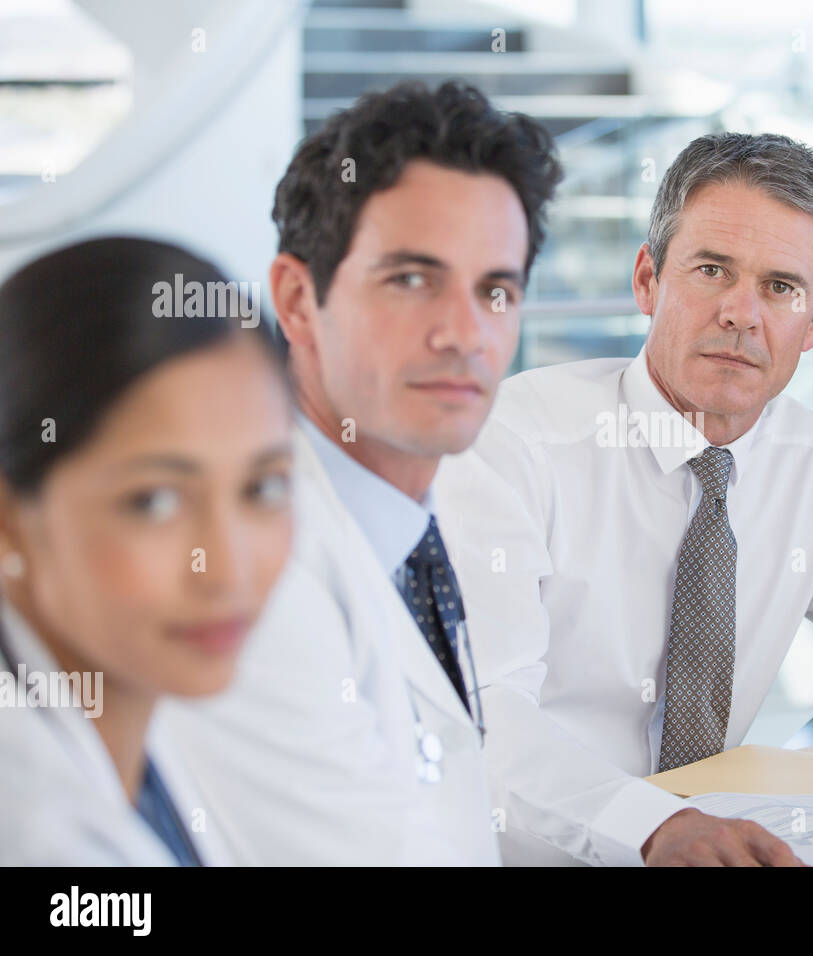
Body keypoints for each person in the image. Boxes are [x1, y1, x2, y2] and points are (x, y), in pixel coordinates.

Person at [434, 131, 813, 867]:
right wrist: (651, 827)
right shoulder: (511, 443)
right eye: (712, 270)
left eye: (781, 287)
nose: (741, 313)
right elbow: (481, 712)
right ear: (648, 279)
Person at [157, 79, 563, 863]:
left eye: (495, 290)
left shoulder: (415, 517)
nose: (465, 334)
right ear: (298, 300)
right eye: (412, 279)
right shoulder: (250, 580)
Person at [0, 237, 293, 864]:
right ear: (9, 518)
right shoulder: (40, 837)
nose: (226, 569)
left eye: (262, 488)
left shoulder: (116, 719)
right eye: (154, 502)